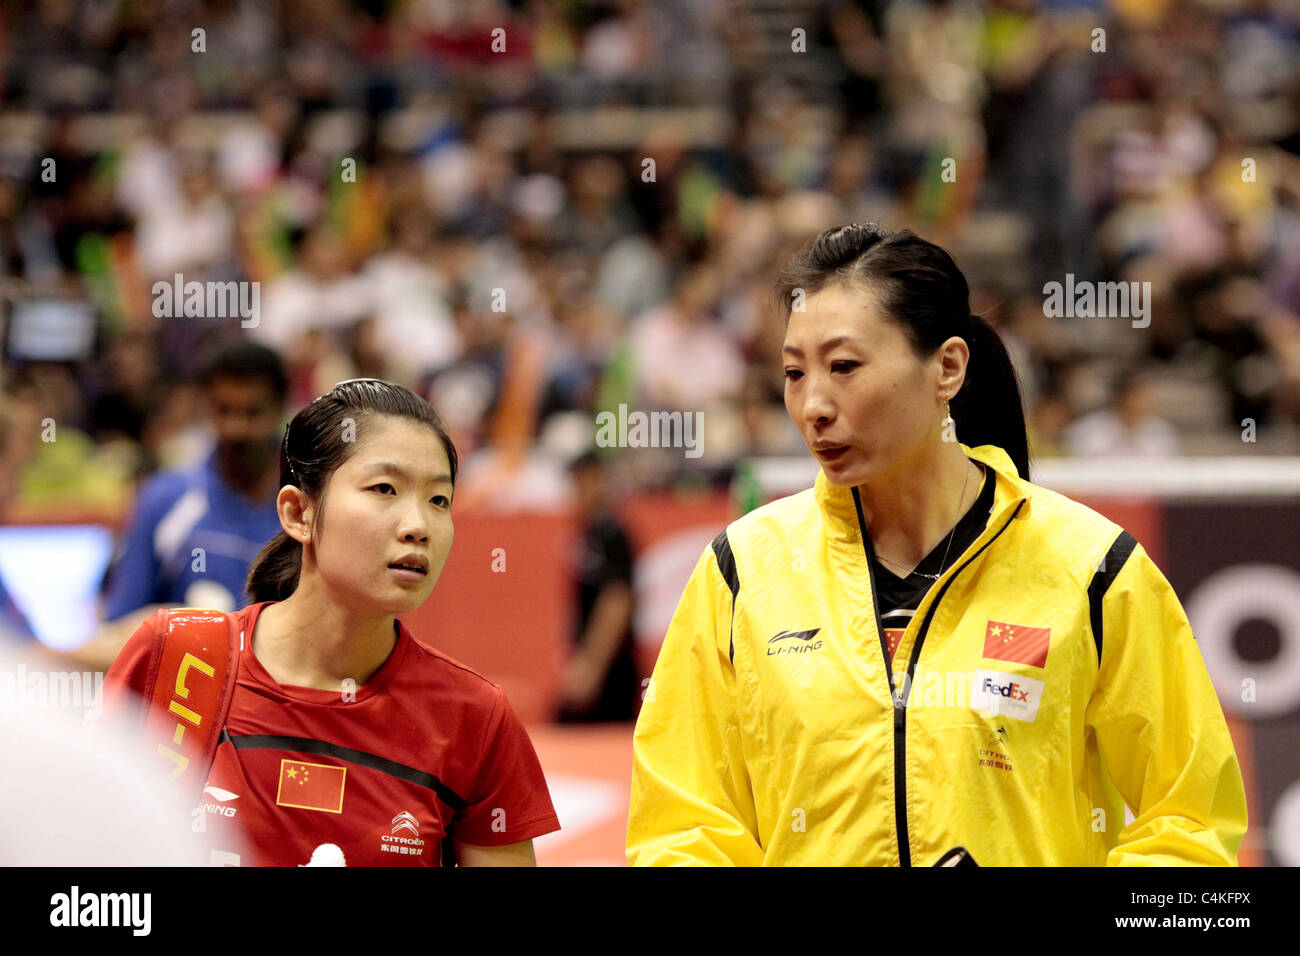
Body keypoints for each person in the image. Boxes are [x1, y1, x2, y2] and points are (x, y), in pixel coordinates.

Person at [627, 222, 1248, 866]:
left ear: (947, 367)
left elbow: (1191, 826)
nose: (813, 404)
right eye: (793, 372)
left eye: (844, 366)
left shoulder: (1094, 567)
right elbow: (680, 830)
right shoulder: (741, 572)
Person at [104, 378, 560, 866]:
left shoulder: (476, 719)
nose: (418, 526)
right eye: (384, 488)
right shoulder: (173, 658)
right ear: (298, 512)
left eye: (439, 500)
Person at [86, 340, 288, 669]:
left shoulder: (310, 509)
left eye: (252, 412)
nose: (236, 428)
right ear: (205, 407)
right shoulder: (163, 500)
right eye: (223, 411)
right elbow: (123, 632)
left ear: (280, 409)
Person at [556, 450, 639, 723]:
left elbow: (617, 601)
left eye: (583, 482)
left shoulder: (612, 534)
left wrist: (591, 668)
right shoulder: (588, 533)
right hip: (601, 669)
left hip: (612, 673)